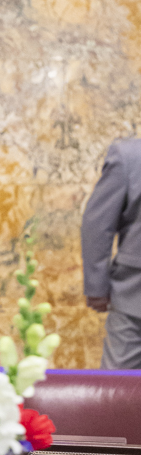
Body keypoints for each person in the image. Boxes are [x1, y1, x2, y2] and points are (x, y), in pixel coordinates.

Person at [81, 138, 141, 368]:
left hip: (133, 298)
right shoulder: (129, 157)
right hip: (133, 298)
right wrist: (97, 286)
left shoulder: (129, 156)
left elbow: (97, 224)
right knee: (118, 383)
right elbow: (98, 225)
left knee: (118, 383)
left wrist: (97, 287)